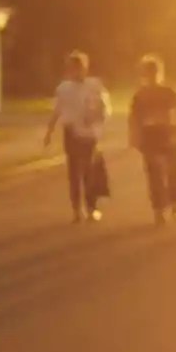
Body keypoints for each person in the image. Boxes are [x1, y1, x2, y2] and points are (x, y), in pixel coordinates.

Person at [44, 51, 112, 223]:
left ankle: (91, 207)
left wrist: (97, 118)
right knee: (74, 172)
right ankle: (76, 209)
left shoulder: (95, 86)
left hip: (89, 133)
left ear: (85, 68)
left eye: (79, 68)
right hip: (71, 131)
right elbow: (57, 111)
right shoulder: (63, 89)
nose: (76, 71)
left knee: (90, 171)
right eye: (73, 68)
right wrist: (49, 132)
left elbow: (104, 107)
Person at [129, 54, 176, 226]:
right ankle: (158, 208)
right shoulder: (140, 95)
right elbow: (135, 117)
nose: (151, 77)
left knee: (172, 171)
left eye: (154, 72)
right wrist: (134, 136)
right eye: (148, 73)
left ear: (160, 73)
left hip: (166, 132)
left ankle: (175, 206)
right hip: (150, 135)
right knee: (154, 173)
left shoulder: (168, 92)